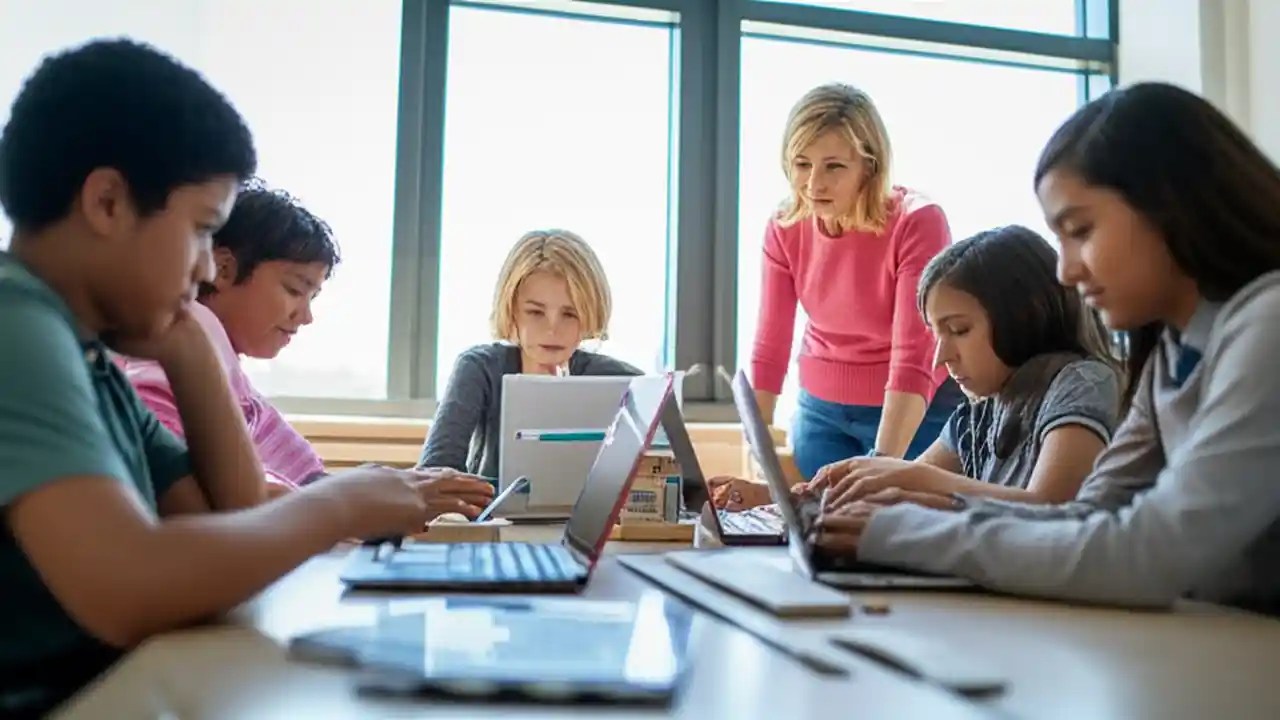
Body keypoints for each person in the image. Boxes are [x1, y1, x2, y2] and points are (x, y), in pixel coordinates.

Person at [0, 39, 492, 716]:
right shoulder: (15, 326)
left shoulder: (92, 365)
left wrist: (192, 350)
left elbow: (224, 528)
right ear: (108, 203)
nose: (208, 269)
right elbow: (131, 585)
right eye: (202, 230)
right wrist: (342, 505)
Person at [815, 82, 1280, 615]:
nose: (1065, 270)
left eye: (1079, 230)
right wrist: (906, 518)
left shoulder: (1268, 322)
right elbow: (1087, 517)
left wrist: (906, 534)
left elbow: (1150, 550)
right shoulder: (1171, 355)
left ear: (1172, 206)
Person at [714, 225, 1121, 511]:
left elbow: (1051, 507)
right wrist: (772, 498)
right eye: (935, 334)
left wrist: (914, 480)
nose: (941, 357)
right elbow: (890, 486)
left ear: (1025, 316)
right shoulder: (975, 417)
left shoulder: (1080, 383)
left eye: (959, 330)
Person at [749, 82, 962, 482]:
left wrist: (883, 461)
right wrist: (757, 437)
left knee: (895, 527)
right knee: (822, 529)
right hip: (821, 414)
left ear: (869, 166)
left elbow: (914, 354)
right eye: (801, 163)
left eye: (834, 166)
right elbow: (770, 344)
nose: (814, 184)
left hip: (917, 413)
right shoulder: (784, 226)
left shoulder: (918, 221)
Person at [119, 182, 337, 492]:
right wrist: (331, 503)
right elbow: (176, 477)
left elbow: (305, 474)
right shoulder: (188, 330)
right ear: (222, 269)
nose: (305, 316)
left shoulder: (226, 362)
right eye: (294, 290)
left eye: (311, 298)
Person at [419, 229, 639, 478]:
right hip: (487, 515)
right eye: (535, 313)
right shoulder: (479, 368)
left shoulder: (626, 383)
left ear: (589, 316)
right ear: (512, 311)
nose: (552, 329)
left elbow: (684, 489)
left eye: (570, 314)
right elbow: (433, 474)